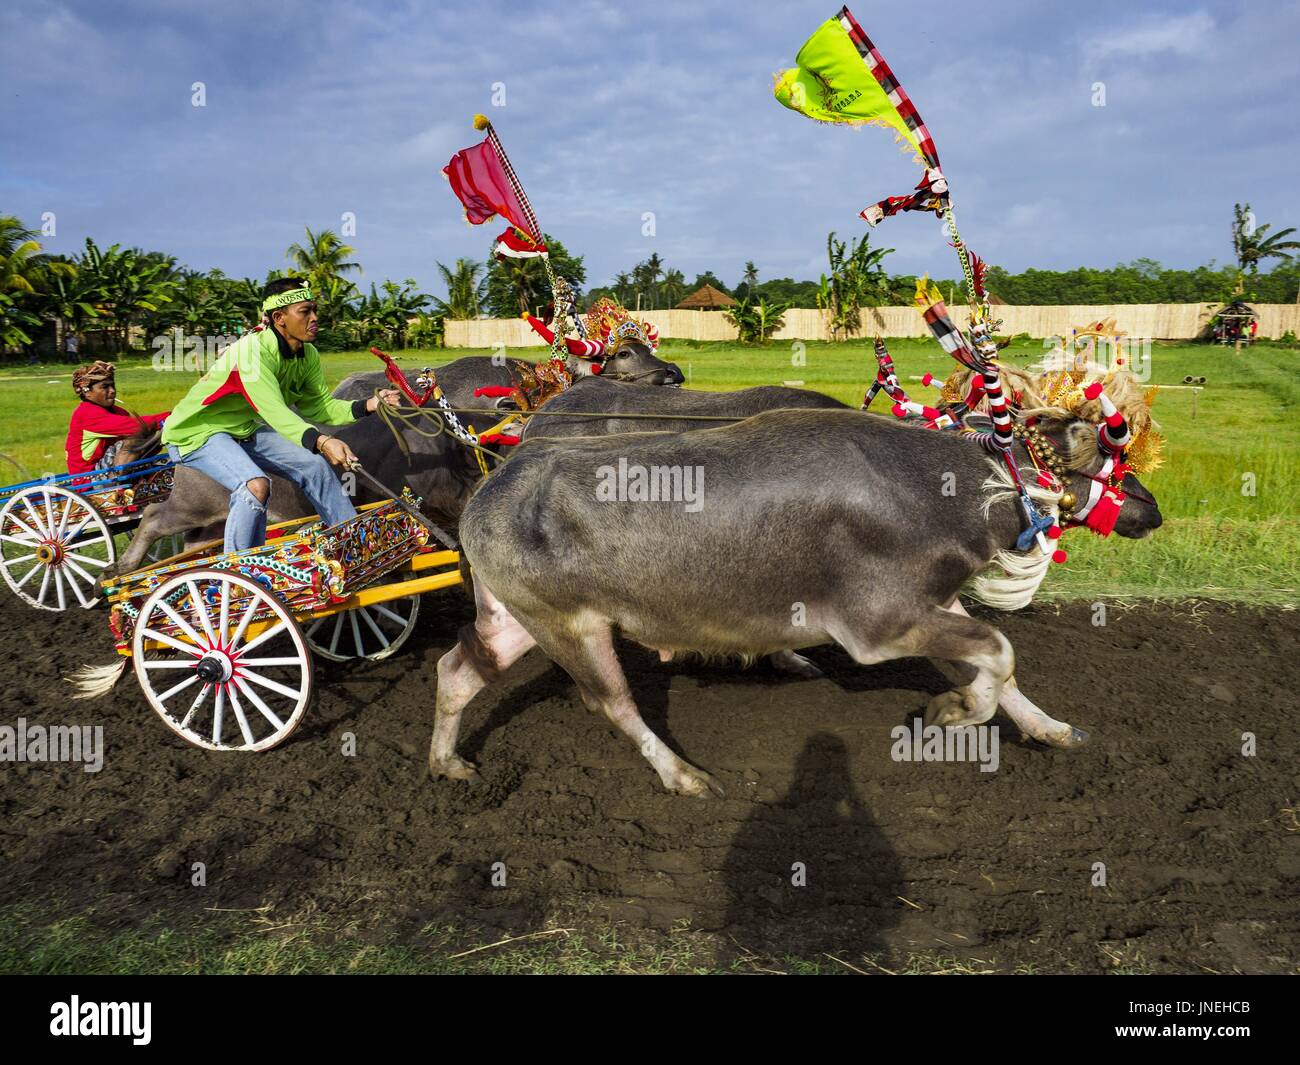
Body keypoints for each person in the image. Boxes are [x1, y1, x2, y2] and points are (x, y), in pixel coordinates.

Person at [161, 277, 401, 553]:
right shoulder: (251, 353)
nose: (314, 318)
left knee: (315, 466)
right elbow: (273, 411)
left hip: (240, 429)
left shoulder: (306, 354)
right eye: (305, 311)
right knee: (254, 486)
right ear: (280, 317)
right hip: (196, 432)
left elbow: (319, 406)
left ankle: (352, 547)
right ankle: (239, 567)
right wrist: (323, 441)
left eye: (314, 310)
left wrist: (368, 405)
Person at [65, 360, 170, 474]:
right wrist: (170, 417)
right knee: (135, 439)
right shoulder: (86, 414)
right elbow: (136, 426)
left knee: (151, 436)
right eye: (105, 387)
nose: (112, 391)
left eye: (113, 385)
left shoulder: (118, 411)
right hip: (88, 479)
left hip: (105, 468)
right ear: (87, 392)